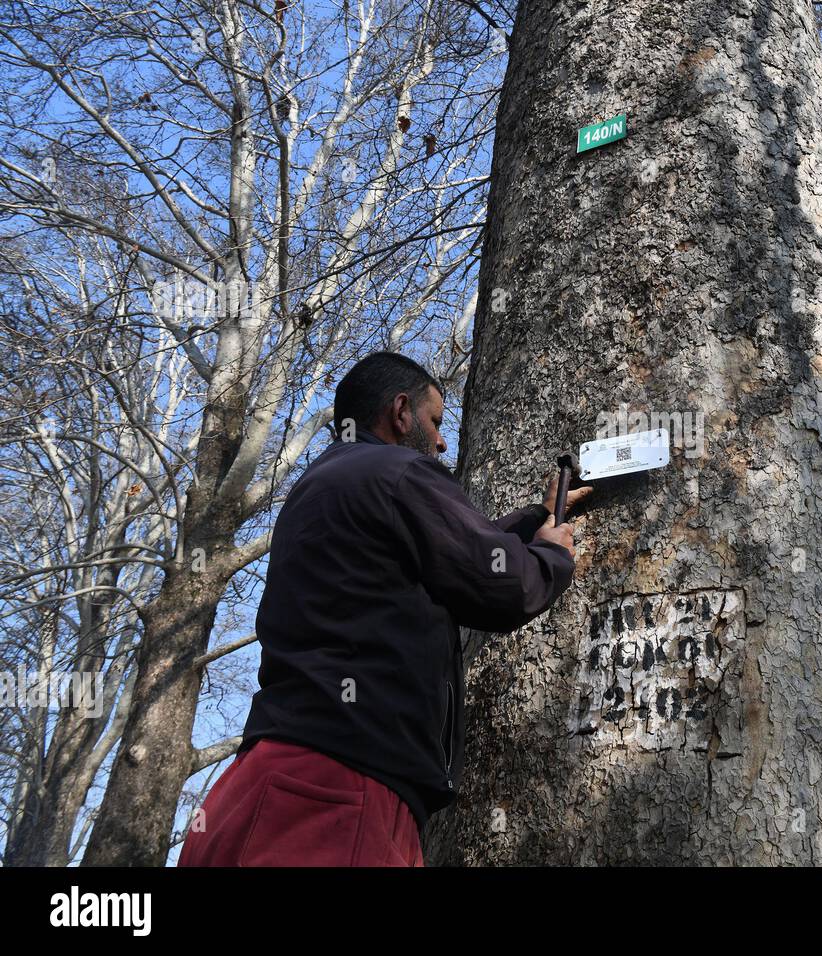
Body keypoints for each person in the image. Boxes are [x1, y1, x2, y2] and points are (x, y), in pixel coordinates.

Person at [178, 351, 589, 866]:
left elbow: (442, 554)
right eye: (435, 421)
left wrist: (534, 517)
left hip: (262, 788)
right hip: (336, 796)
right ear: (400, 411)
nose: (441, 441)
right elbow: (501, 586)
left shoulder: (329, 485)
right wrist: (551, 553)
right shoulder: (398, 471)